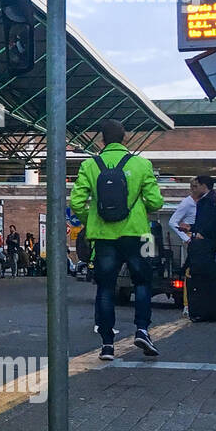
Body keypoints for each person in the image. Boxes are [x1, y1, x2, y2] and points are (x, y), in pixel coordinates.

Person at [71, 118, 166, 360]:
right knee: (143, 282)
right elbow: (156, 202)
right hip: (138, 235)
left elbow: (77, 203)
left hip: (104, 237)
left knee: (105, 288)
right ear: (126, 139)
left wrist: (91, 219)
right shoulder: (142, 164)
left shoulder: (90, 165)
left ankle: (107, 345)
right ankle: (142, 330)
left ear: (101, 140)